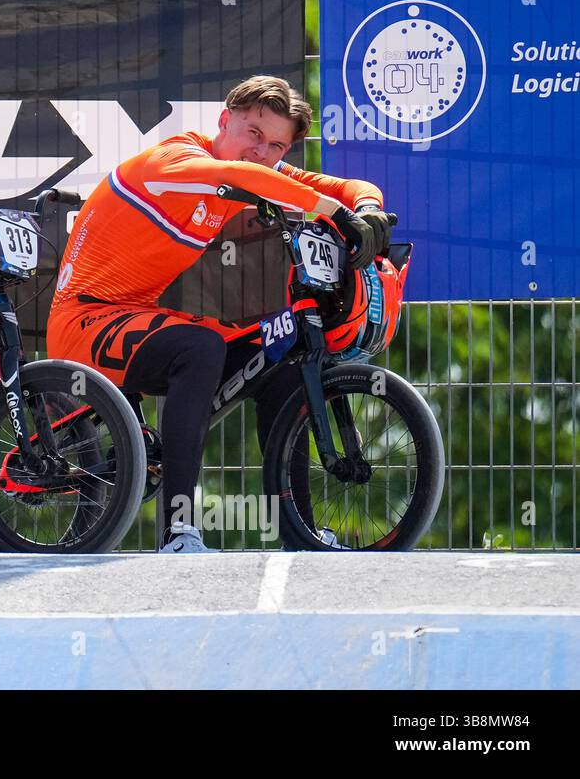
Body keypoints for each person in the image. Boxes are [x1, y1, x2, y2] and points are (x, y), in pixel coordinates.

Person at [47, 76, 396, 553]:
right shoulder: (175, 161)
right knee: (200, 346)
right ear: (223, 120)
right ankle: (178, 532)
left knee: (282, 360)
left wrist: (369, 210)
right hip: (84, 320)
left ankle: (301, 532)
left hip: (136, 315)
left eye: (276, 145)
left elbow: (344, 184)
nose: (261, 151)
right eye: (253, 133)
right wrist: (334, 212)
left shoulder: (253, 169)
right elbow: (248, 179)